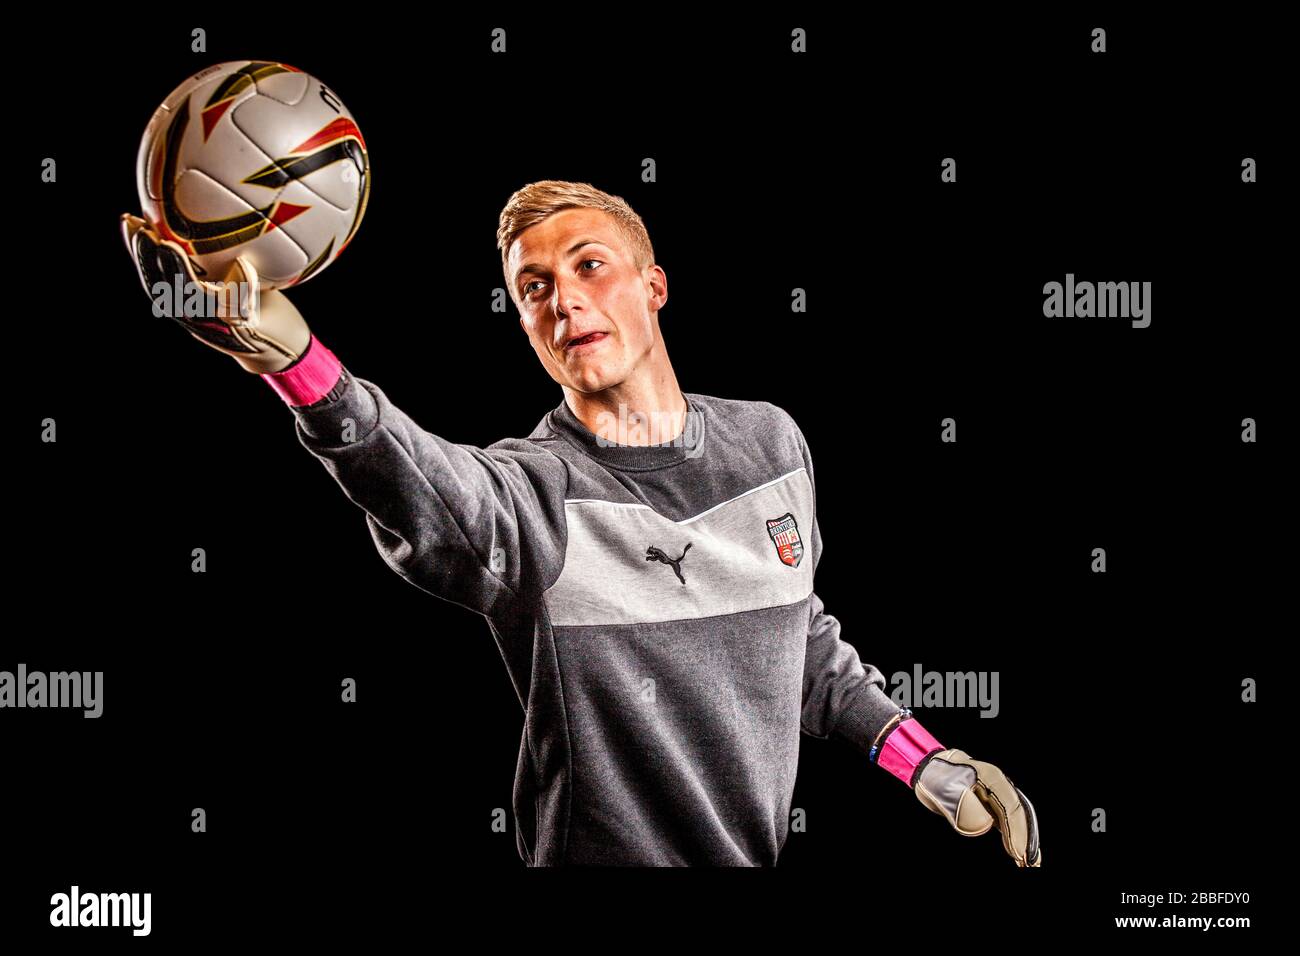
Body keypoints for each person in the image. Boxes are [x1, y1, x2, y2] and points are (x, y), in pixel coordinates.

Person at [120, 180, 1040, 867]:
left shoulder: (772, 443)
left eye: (589, 265)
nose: (562, 299)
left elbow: (798, 641)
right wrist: (298, 362)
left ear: (656, 286)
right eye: (532, 287)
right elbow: (415, 482)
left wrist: (928, 765)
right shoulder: (534, 496)